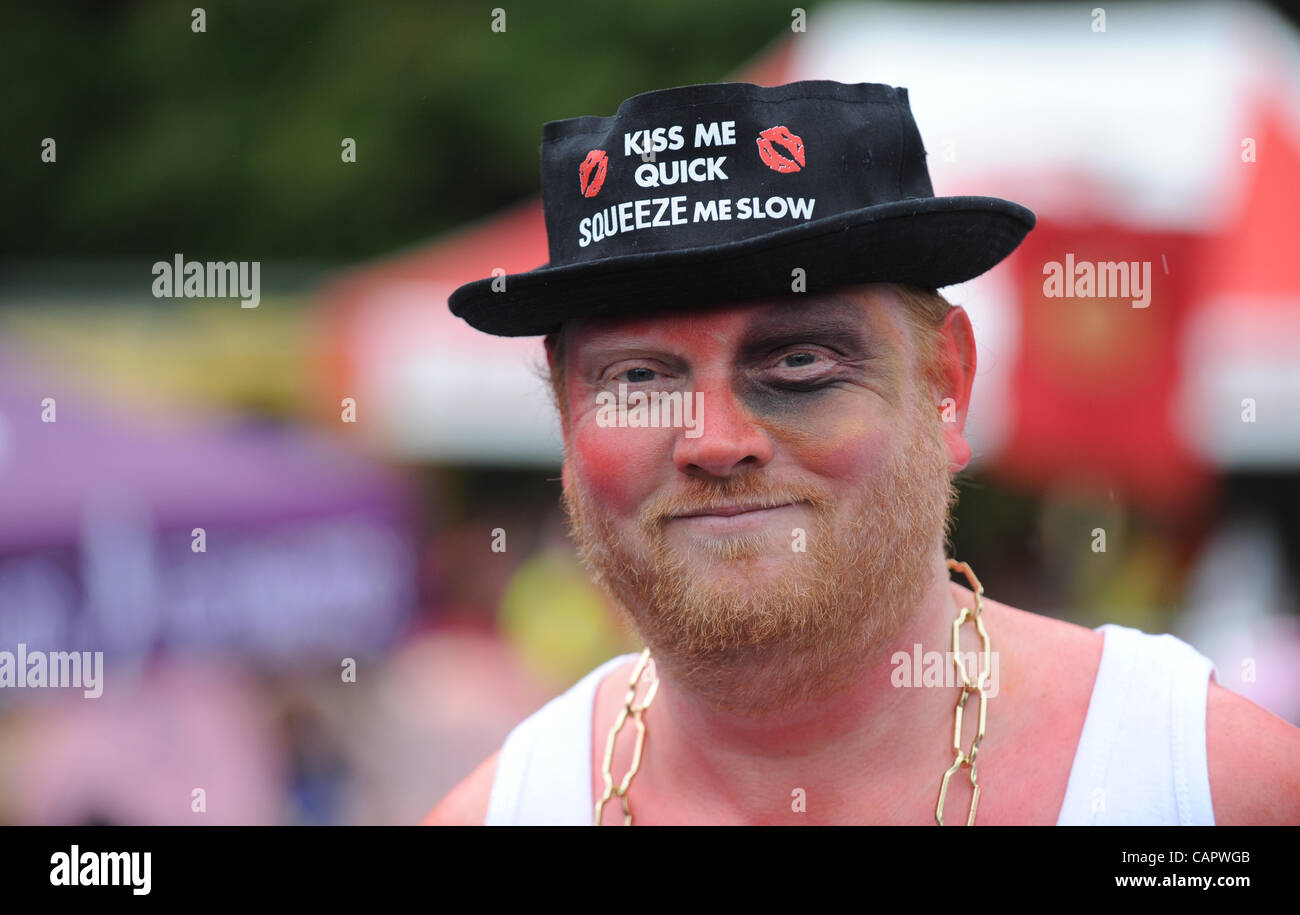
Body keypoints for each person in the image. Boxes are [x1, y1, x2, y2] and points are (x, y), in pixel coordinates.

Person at [425, 80, 1300, 825]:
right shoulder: (507, 809)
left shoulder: (1203, 791)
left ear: (946, 383)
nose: (718, 441)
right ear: (565, 412)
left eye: (800, 363)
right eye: (641, 377)